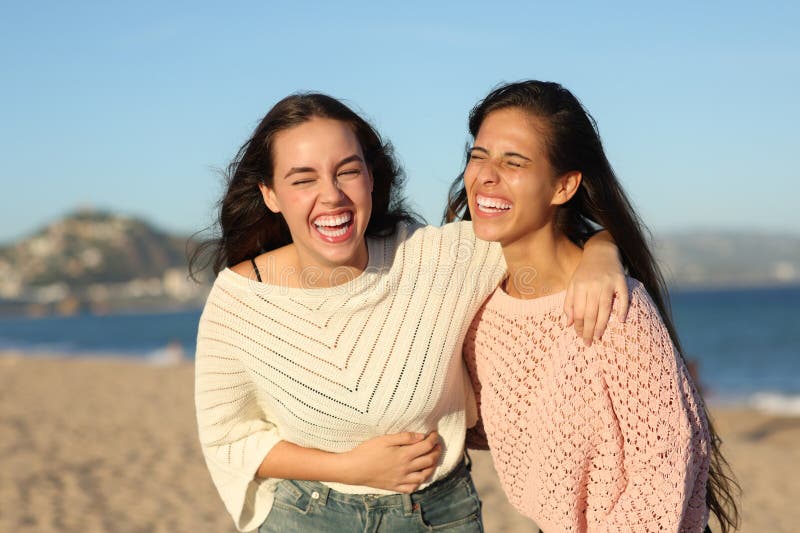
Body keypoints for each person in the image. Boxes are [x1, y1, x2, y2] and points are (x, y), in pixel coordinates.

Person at [190, 92, 627, 532]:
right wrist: (350, 468)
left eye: (348, 171)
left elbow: (542, 237)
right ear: (270, 194)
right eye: (303, 179)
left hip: (439, 516)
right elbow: (231, 439)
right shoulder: (241, 300)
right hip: (307, 516)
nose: (331, 195)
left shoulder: (435, 259)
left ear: (371, 178)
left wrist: (602, 251)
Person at [448, 81, 739, 532]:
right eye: (479, 154)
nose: (486, 174)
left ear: (563, 186)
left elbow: (662, 466)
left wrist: (605, 248)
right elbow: (499, 429)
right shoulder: (480, 306)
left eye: (514, 161)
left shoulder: (615, 308)